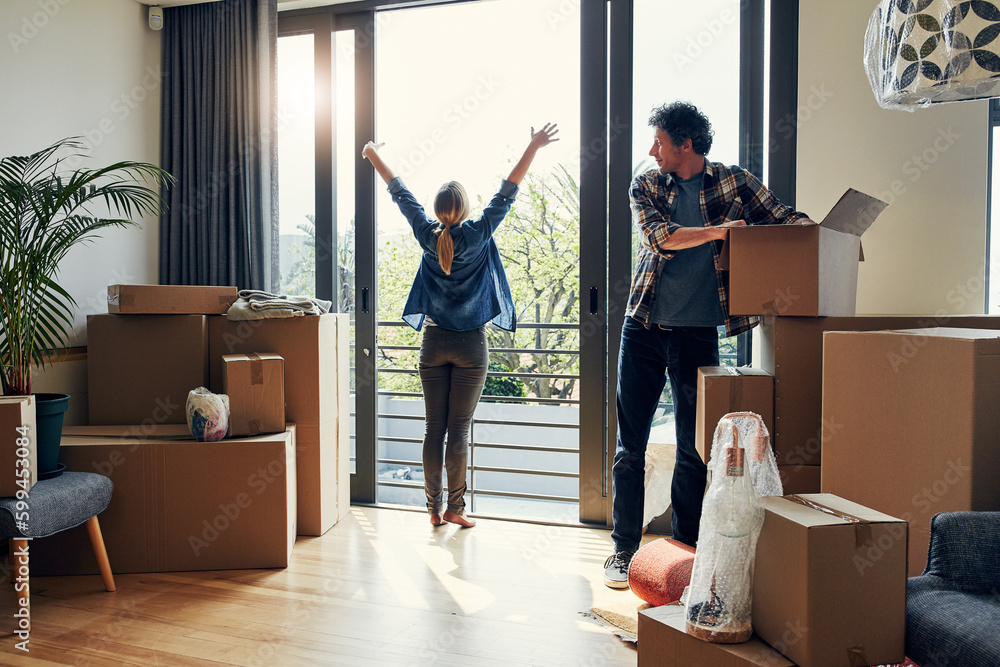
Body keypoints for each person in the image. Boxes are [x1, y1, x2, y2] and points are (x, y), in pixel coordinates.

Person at [604, 102, 812, 588]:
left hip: (698, 333)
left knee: (693, 449)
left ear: (685, 144)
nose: (652, 151)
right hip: (645, 327)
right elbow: (659, 237)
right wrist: (720, 231)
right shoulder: (647, 184)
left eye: (659, 142)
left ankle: (685, 550)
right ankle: (623, 549)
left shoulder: (735, 182)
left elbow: (784, 218)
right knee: (630, 448)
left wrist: (811, 234)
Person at [363, 124, 560, 528]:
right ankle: (456, 508)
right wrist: (533, 146)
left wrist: (371, 152)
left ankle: (433, 510)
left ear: (438, 211)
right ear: (465, 209)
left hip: (433, 343)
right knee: (459, 432)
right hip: (471, 345)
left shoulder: (426, 233)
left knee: (432, 430)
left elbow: (399, 192)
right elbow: (508, 190)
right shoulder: (479, 232)